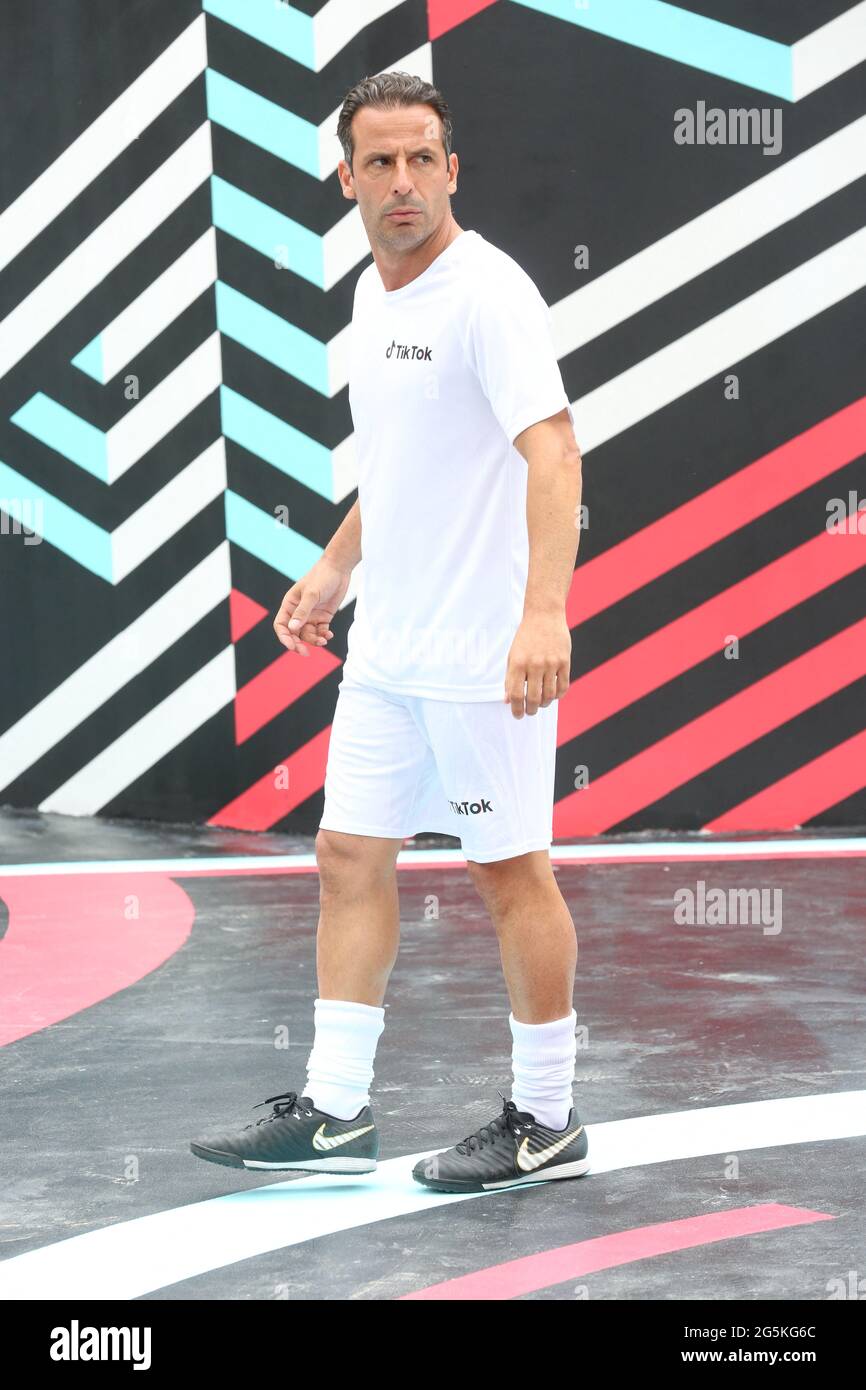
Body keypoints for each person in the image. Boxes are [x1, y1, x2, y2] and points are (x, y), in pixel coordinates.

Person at [191, 71, 589, 1193]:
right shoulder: (374, 296)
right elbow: (401, 465)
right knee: (347, 855)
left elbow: (553, 451)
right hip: (387, 649)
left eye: (423, 159)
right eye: (381, 163)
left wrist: (542, 612)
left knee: (508, 873)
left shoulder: (489, 294)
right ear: (347, 177)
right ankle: (332, 1108)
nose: (403, 182)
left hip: (479, 655)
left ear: (451, 169)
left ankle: (547, 1116)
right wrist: (331, 566)